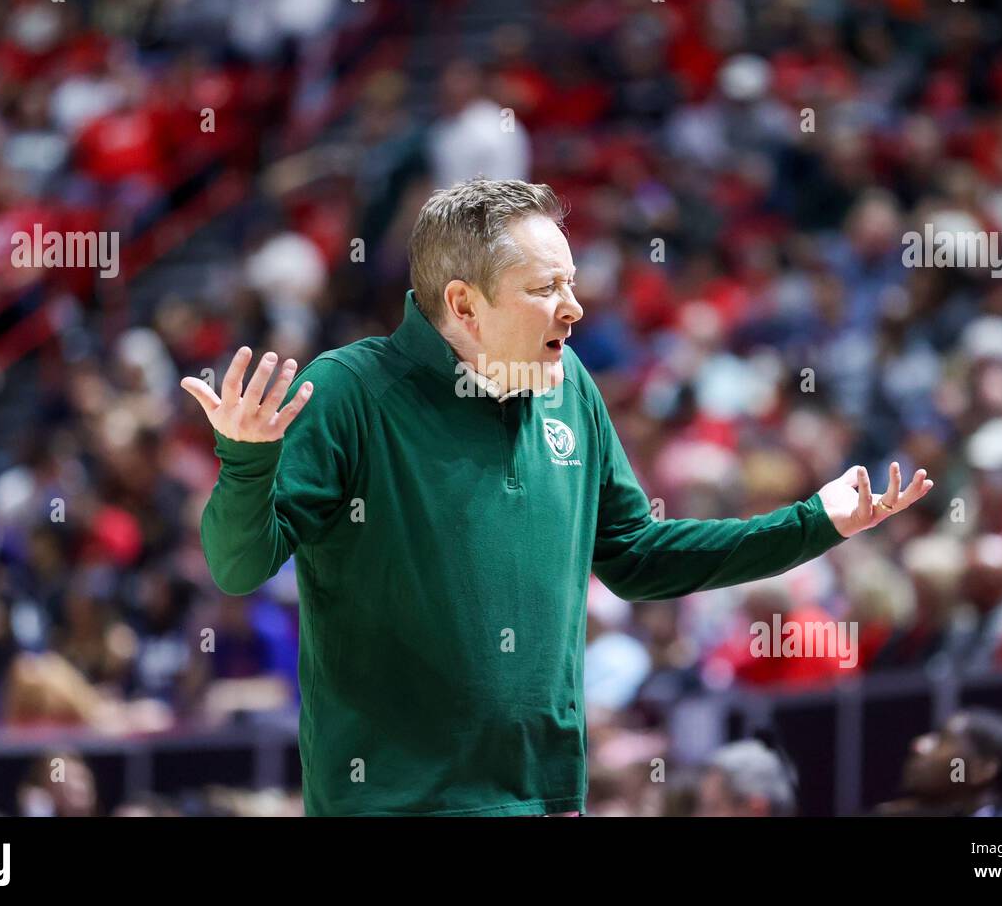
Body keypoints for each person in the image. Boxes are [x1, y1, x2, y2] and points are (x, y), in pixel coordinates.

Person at [181, 177, 934, 816]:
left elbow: (637, 556)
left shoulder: (568, 384)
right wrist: (247, 464)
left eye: (570, 282)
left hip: (549, 797)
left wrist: (814, 523)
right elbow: (239, 566)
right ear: (464, 306)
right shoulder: (349, 392)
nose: (574, 308)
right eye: (546, 289)